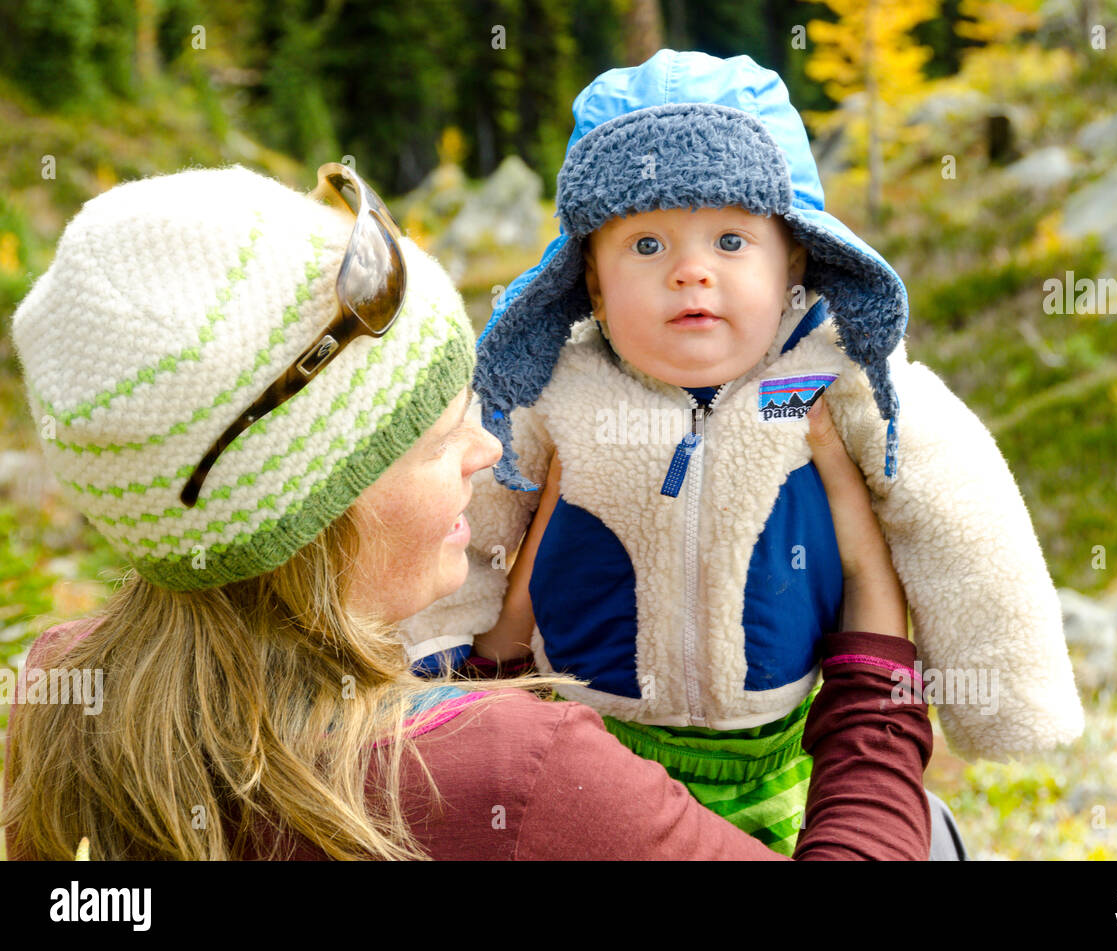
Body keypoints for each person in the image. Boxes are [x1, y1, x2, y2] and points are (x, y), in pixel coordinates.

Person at [1, 162, 935, 860]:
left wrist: (502, 640)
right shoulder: (511, 775)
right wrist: (877, 666)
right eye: (437, 437)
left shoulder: (59, 698)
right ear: (313, 511)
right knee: (929, 833)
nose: (488, 453)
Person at [398, 49, 1082, 855]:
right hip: (586, 761)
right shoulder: (552, 395)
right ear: (589, 280)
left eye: (730, 239)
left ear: (794, 255)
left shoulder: (838, 383)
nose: (692, 273)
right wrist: (437, 674)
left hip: (788, 760)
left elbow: (957, 510)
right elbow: (465, 522)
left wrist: (1005, 689)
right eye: (646, 246)